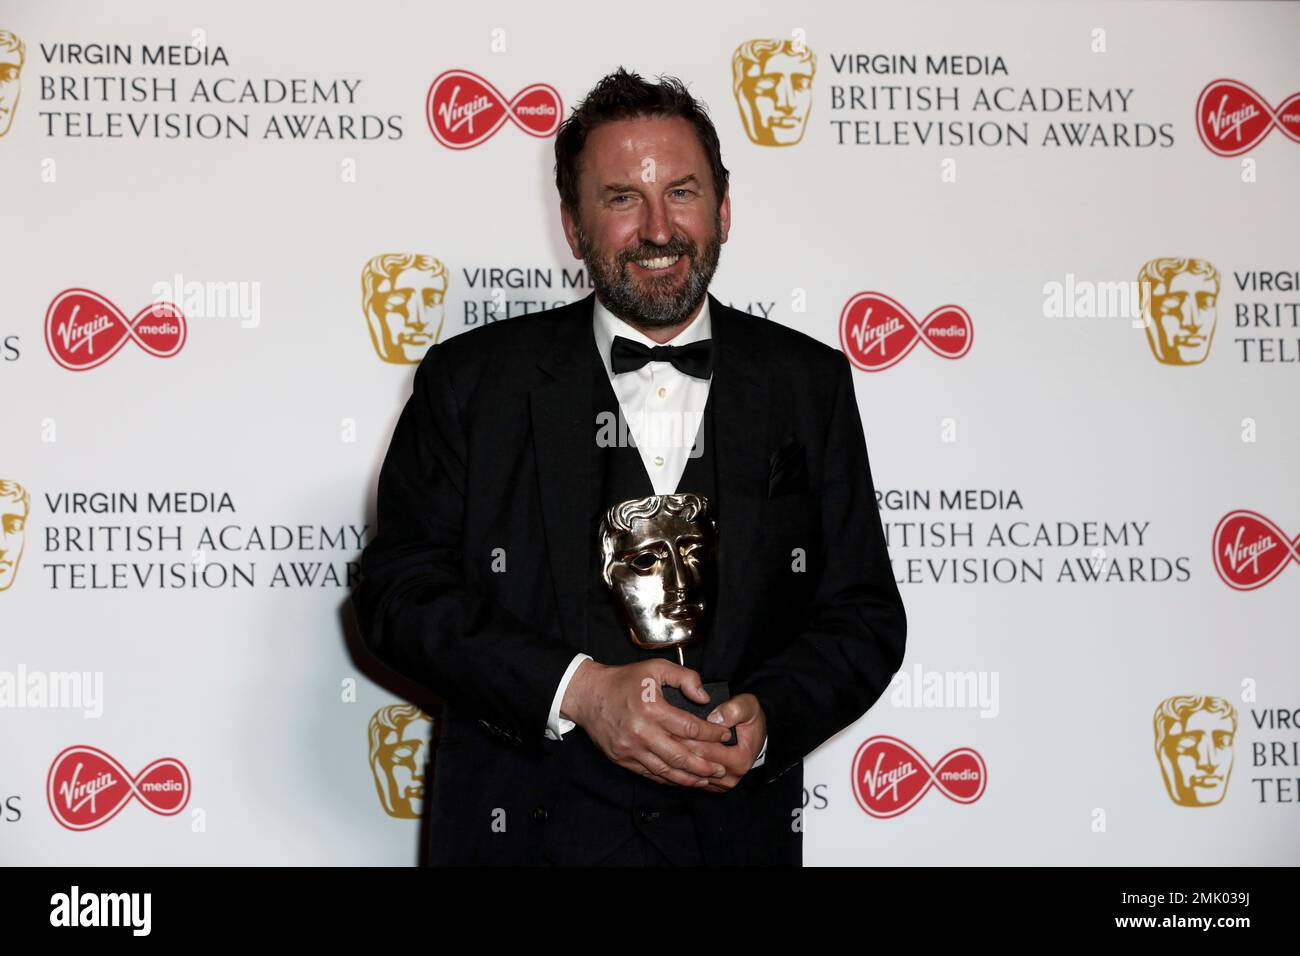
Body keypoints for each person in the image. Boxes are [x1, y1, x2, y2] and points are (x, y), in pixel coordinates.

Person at [353, 68, 906, 865]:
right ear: (575, 228)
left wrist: (767, 720)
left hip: (733, 842)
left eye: (681, 193)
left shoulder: (807, 384)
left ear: (722, 209)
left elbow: (862, 614)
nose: (658, 229)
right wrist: (578, 690)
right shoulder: (473, 381)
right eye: (621, 199)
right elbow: (400, 594)